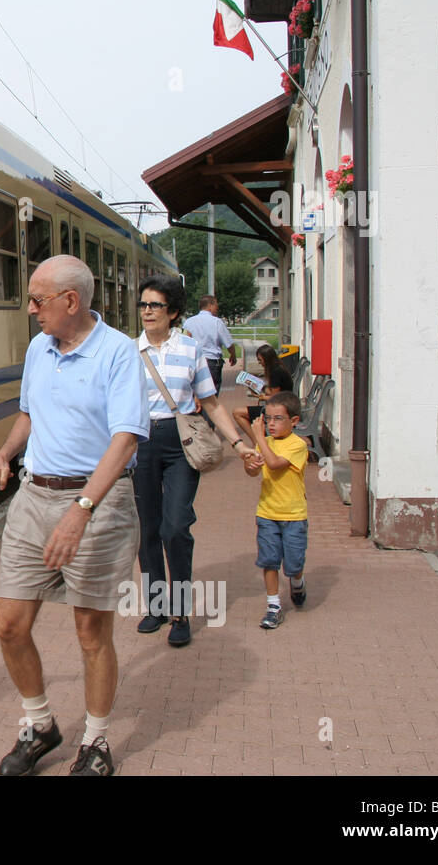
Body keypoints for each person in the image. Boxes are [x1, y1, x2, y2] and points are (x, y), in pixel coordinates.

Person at [0, 254, 146, 777]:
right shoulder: (39, 348)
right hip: (35, 498)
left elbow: (126, 439)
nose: (31, 311)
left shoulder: (118, 353)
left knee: (91, 630)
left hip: (98, 502)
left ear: (70, 301)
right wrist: (3, 456)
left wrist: (82, 510)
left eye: (37, 300)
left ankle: (96, 741)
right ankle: (41, 724)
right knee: (9, 624)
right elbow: (28, 412)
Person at [134, 275, 255, 648]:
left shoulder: (190, 350)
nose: (147, 311)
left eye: (155, 305)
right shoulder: (127, 351)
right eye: (143, 305)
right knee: (148, 529)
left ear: (172, 312)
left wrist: (239, 443)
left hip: (181, 444)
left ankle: (181, 612)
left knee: (175, 526)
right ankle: (155, 605)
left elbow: (213, 404)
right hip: (140, 444)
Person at [241, 391, 309, 628]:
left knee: (293, 564)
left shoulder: (298, 445)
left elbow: (275, 464)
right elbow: (254, 470)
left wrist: (258, 439)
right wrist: (251, 464)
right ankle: (273, 604)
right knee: (269, 560)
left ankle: (297, 581)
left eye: (278, 418)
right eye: (268, 418)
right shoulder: (265, 443)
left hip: (293, 516)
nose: (271, 424)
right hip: (267, 513)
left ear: (294, 421)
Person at [234, 343, 294, 445]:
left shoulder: (275, 372)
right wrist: (255, 386)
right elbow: (273, 391)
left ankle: (257, 442)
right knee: (240, 412)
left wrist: (262, 397)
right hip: (284, 404)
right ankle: (258, 441)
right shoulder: (278, 368)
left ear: (266, 359)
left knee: (237, 413)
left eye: (260, 360)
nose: (259, 363)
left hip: (279, 408)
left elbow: (274, 397)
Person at [183, 294, 237, 392]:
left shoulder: (188, 322)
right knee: (211, 398)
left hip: (193, 362)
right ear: (210, 305)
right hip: (212, 364)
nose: (217, 307)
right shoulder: (217, 322)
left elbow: (184, 342)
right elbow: (229, 343)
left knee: (194, 394)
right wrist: (233, 356)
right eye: (216, 305)